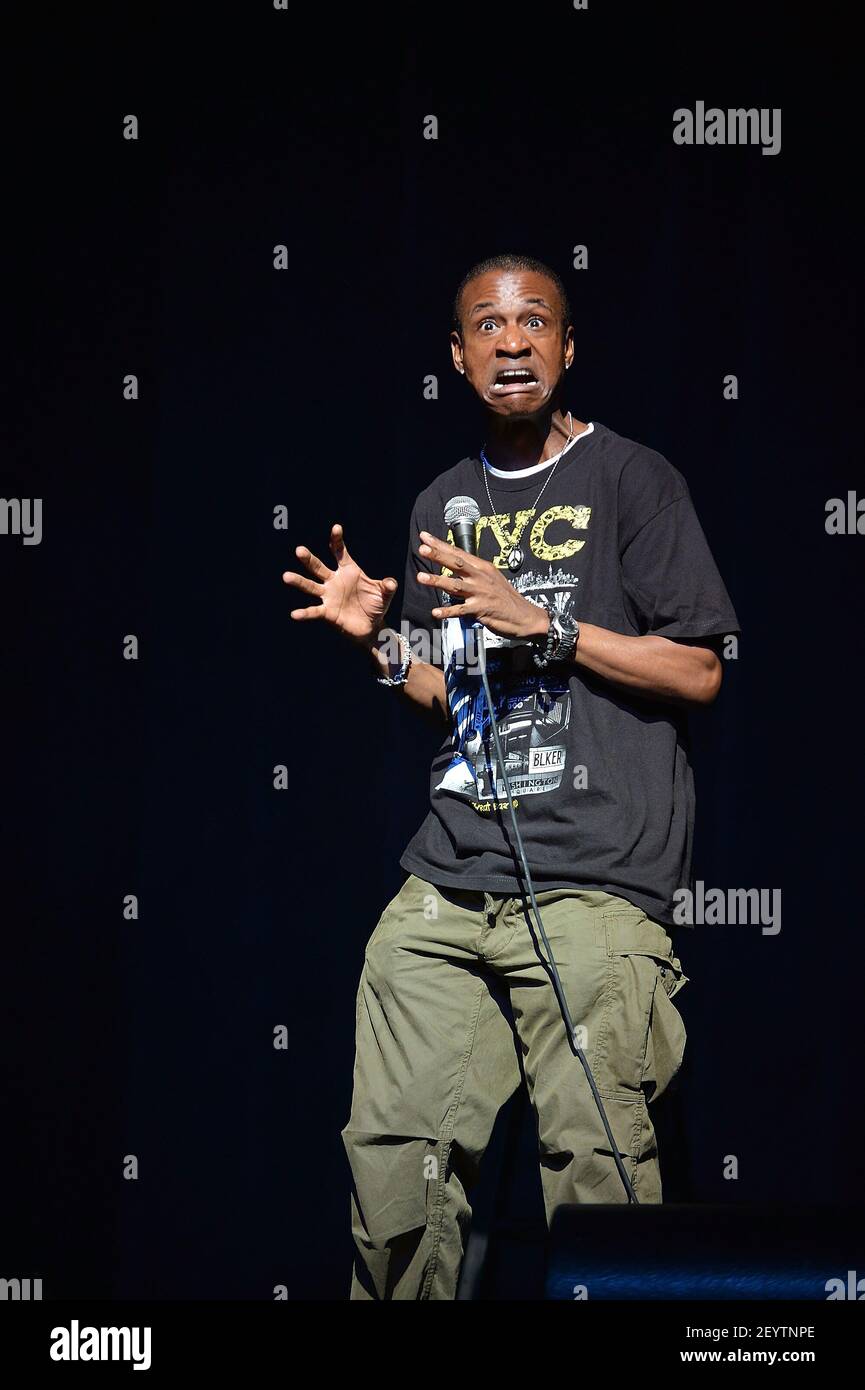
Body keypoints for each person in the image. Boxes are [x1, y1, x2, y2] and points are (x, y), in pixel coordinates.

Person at [283, 253, 741, 1300]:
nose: (512, 339)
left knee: (597, 1180)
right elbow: (457, 694)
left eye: (535, 320)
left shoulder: (634, 479)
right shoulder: (444, 502)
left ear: (568, 347)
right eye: (487, 325)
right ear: (457, 355)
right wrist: (382, 647)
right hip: (448, 874)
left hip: (591, 880)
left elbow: (698, 669)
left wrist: (552, 623)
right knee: (396, 1173)